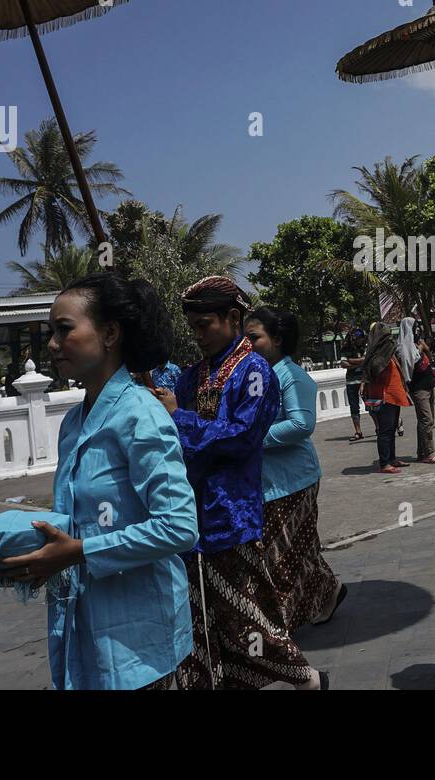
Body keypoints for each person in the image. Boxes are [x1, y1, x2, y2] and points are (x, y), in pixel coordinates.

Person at [0, 273, 199, 689]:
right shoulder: (75, 420)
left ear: (109, 333)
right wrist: (38, 548)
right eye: (50, 332)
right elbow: (80, 516)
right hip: (85, 615)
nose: (52, 345)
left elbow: (179, 526)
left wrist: (79, 551)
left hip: (140, 631)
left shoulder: (140, 416)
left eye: (64, 330)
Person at [161, 275, 326, 689]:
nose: (198, 336)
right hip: (191, 511)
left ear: (232, 317)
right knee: (201, 616)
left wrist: (178, 416)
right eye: (193, 327)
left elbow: (242, 436)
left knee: (244, 613)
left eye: (205, 326)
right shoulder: (192, 374)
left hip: (232, 512)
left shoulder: (254, 370)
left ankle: (304, 678)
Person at [244, 307, 347, 631]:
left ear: (276, 339)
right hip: (265, 482)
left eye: (254, 337)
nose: (246, 344)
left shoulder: (292, 376)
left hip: (293, 481)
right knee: (294, 550)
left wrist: (253, 438)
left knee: (283, 556)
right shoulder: (255, 376)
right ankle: (329, 589)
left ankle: (281, 628)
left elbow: (302, 424)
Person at [362, 321, 412, 474]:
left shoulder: (387, 353)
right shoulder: (376, 354)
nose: (390, 338)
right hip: (384, 396)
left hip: (394, 395)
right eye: (386, 334)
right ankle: (384, 463)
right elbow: (375, 369)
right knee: (384, 431)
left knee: (391, 429)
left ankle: (392, 458)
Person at [407, 325, 435, 464]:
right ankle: (430, 452)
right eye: (414, 329)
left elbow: (430, 359)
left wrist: (426, 349)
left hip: (428, 386)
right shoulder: (404, 347)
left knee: (426, 421)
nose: (417, 331)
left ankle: (422, 452)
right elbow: (410, 363)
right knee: (426, 420)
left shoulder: (419, 343)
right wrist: (420, 349)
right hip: (418, 388)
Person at [339, 325, 367, 443]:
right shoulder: (346, 348)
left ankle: (378, 427)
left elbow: (367, 359)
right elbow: (343, 363)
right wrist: (358, 364)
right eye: (359, 338)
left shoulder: (365, 347)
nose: (361, 340)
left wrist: (352, 360)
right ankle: (358, 431)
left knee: (371, 404)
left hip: (364, 380)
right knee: (354, 406)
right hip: (351, 381)